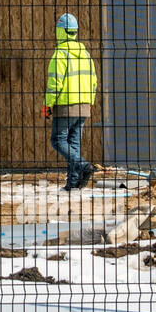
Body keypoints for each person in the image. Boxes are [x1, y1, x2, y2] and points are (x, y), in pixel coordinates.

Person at [42, 12, 98, 190]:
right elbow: (94, 80)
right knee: (73, 143)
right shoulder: (85, 54)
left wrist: (48, 104)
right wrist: (90, 102)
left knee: (58, 140)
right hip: (84, 106)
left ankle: (82, 165)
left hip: (66, 105)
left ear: (60, 32)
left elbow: (54, 83)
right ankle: (73, 184)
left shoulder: (60, 54)